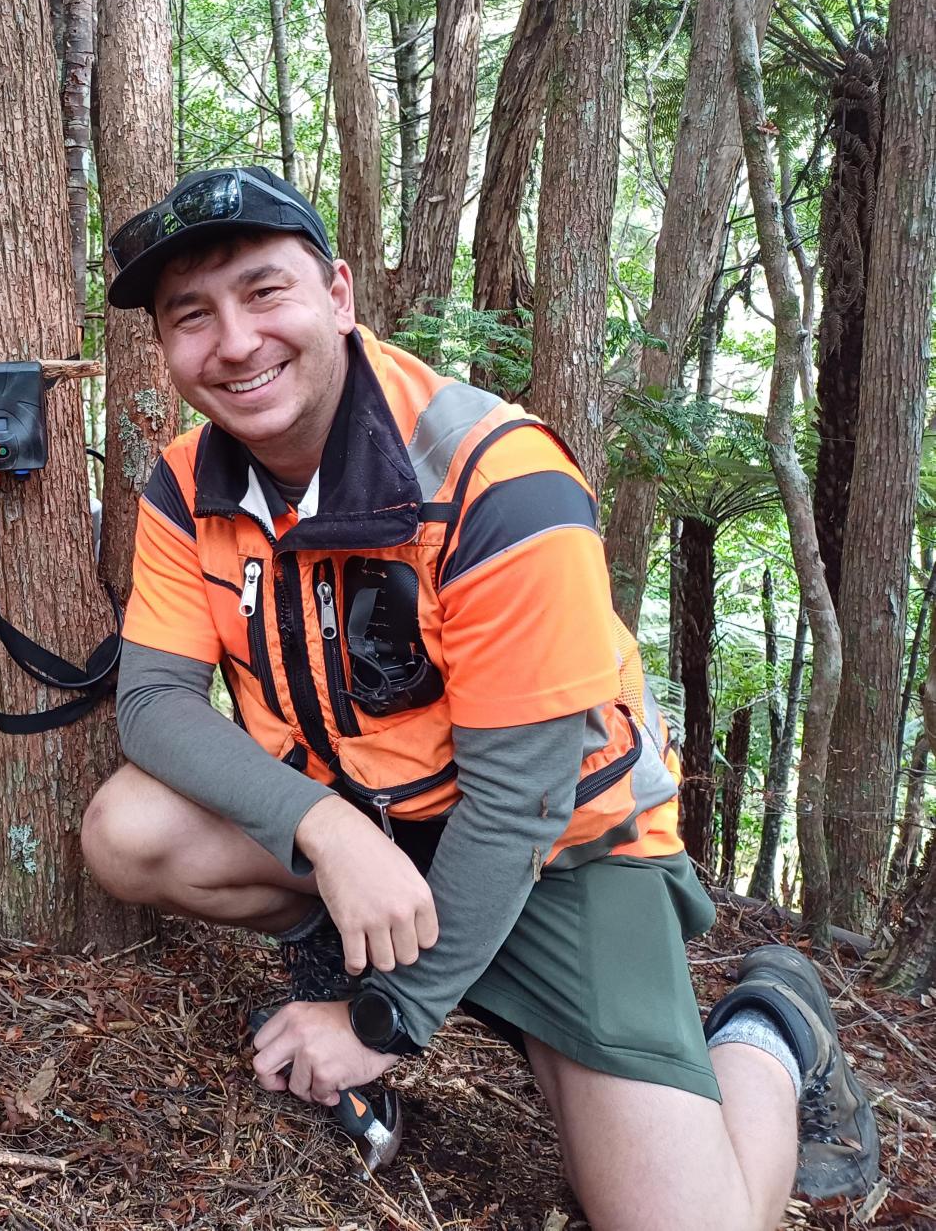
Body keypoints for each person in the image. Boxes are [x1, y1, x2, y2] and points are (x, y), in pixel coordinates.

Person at [80, 165, 879, 1230]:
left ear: (337, 296)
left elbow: (517, 803)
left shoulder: (496, 480)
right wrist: (322, 826)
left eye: (263, 292)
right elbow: (154, 706)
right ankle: (373, 949)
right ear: (167, 350)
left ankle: (770, 1028)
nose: (232, 342)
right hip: (368, 820)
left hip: (560, 853)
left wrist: (382, 1023)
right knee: (129, 830)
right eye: (191, 316)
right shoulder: (189, 486)